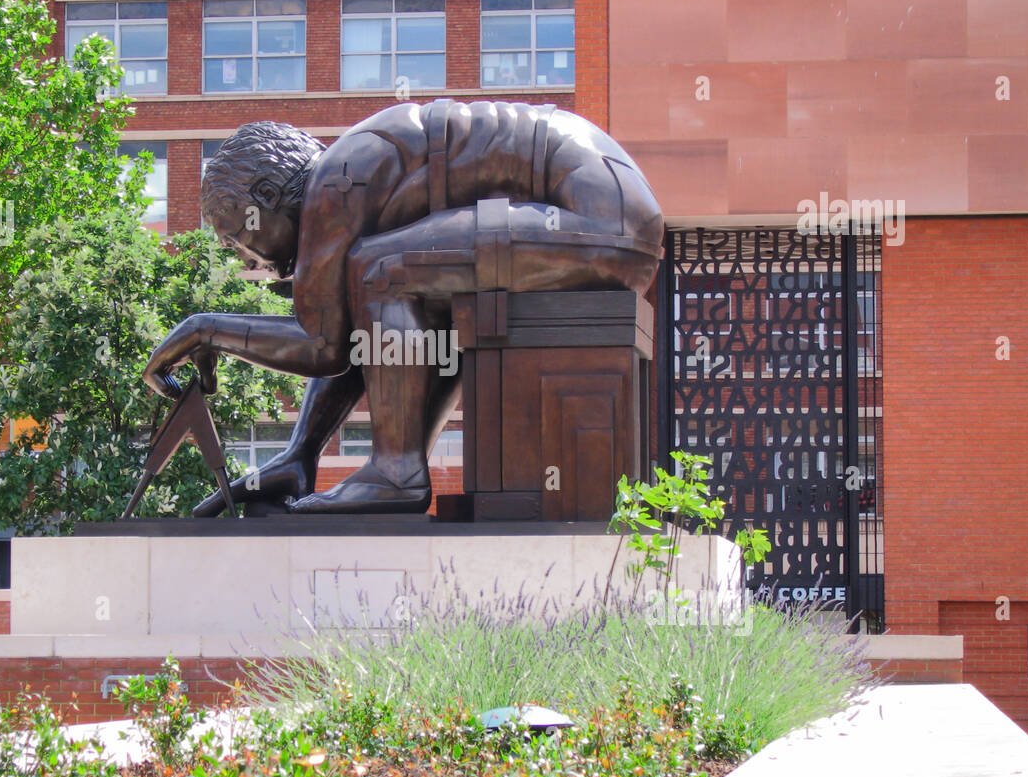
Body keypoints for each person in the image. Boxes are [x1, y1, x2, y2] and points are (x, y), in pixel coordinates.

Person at [144, 99, 664, 515]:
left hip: (600, 221)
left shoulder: (335, 180)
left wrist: (206, 329)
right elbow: (350, 334)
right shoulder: (351, 171)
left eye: (240, 237)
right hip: (606, 217)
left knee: (384, 271)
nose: (250, 257)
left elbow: (322, 347)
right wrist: (302, 451)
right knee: (388, 279)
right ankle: (329, 463)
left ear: (265, 193)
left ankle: (395, 473)